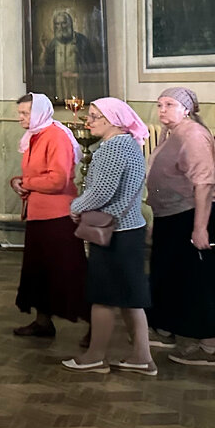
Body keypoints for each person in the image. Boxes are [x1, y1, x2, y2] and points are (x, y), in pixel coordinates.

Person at [146, 87, 215, 365]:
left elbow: (203, 184)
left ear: (186, 108)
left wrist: (200, 228)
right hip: (172, 217)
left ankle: (206, 347)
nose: (162, 109)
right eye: (160, 104)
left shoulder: (193, 135)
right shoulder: (171, 133)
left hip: (191, 216)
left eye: (169, 104)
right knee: (172, 275)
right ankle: (170, 329)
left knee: (199, 279)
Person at [62, 98, 156, 376]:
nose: (88, 121)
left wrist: (76, 206)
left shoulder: (114, 147)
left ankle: (94, 356)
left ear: (113, 119)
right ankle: (142, 357)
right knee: (130, 296)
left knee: (102, 296)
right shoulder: (129, 144)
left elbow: (102, 191)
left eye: (94, 116)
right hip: (130, 228)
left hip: (114, 232)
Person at [10, 93, 90, 340]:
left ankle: (94, 325)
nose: (20, 118)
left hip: (58, 216)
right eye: (20, 113)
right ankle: (43, 322)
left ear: (39, 113)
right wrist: (18, 182)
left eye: (25, 113)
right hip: (38, 214)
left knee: (69, 273)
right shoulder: (35, 136)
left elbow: (57, 180)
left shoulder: (55, 136)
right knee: (40, 271)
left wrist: (27, 182)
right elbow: (34, 175)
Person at [41, 11, 103, 103]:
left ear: (70, 24)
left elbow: (93, 68)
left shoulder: (82, 42)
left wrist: (78, 75)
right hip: (60, 91)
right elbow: (46, 71)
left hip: (79, 91)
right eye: (57, 24)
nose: (61, 27)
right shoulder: (52, 45)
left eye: (64, 23)